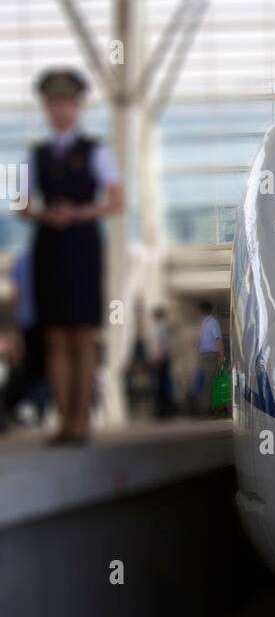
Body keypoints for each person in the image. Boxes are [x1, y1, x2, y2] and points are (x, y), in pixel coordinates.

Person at [21, 69, 124, 445]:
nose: (60, 110)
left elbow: (117, 200)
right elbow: (18, 204)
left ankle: (81, 421)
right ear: (46, 109)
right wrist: (44, 214)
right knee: (56, 338)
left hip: (82, 246)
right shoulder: (33, 153)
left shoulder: (96, 150)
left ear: (78, 108)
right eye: (53, 104)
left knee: (82, 335)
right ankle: (64, 421)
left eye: (66, 103)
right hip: (47, 246)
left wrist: (77, 213)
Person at [5, 247, 49, 424]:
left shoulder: (22, 260)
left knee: (32, 365)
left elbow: (16, 295)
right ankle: (38, 407)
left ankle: (34, 406)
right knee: (43, 364)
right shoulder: (55, 257)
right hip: (48, 320)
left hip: (28, 320)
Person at [195, 299, 224, 414]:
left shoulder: (213, 323)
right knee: (206, 382)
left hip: (211, 355)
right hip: (204, 356)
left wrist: (222, 356)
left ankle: (212, 409)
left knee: (210, 382)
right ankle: (208, 408)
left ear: (201, 311)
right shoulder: (204, 323)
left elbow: (219, 339)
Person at [148, 306, 175, 418]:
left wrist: (158, 359)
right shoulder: (162, 328)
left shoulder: (160, 328)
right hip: (163, 358)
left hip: (161, 359)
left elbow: (161, 346)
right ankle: (164, 408)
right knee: (163, 383)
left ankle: (163, 409)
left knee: (160, 384)